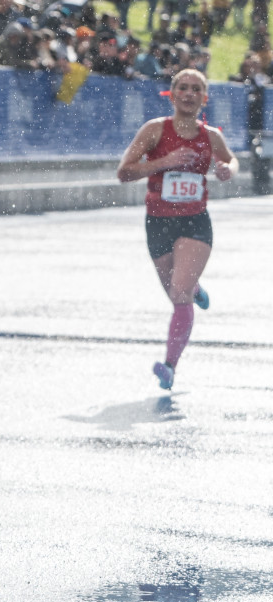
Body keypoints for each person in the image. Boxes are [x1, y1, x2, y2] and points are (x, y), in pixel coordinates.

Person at [116, 68, 238, 390]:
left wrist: (227, 169)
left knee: (178, 292)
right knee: (177, 292)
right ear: (172, 94)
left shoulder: (211, 135)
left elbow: (231, 159)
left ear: (204, 97)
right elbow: (124, 172)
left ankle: (169, 366)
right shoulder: (155, 130)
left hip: (195, 221)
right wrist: (163, 162)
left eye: (195, 89)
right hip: (158, 222)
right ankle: (196, 287)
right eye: (182, 87)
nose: (188, 93)